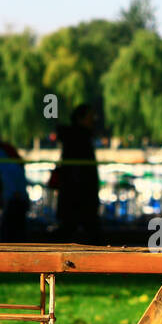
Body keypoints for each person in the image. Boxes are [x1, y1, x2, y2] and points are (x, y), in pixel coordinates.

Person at [54, 104, 103, 243]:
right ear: (80, 118)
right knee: (87, 232)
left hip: (75, 195)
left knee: (70, 231)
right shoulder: (80, 138)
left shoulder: (76, 138)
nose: (93, 120)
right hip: (80, 195)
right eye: (90, 116)